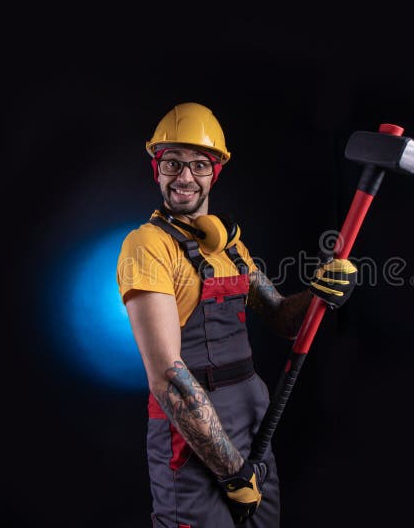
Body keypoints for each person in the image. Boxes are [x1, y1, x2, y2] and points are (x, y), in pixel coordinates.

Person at [117, 102, 357, 527]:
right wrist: (231, 471)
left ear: (216, 172)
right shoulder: (148, 245)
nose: (185, 177)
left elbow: (283, 318)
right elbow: (168, 377)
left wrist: (320, 292)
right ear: (157, 168)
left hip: (253, 422)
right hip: (191, 436)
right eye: (172, 163)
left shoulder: (229, 247)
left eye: (199, 165)